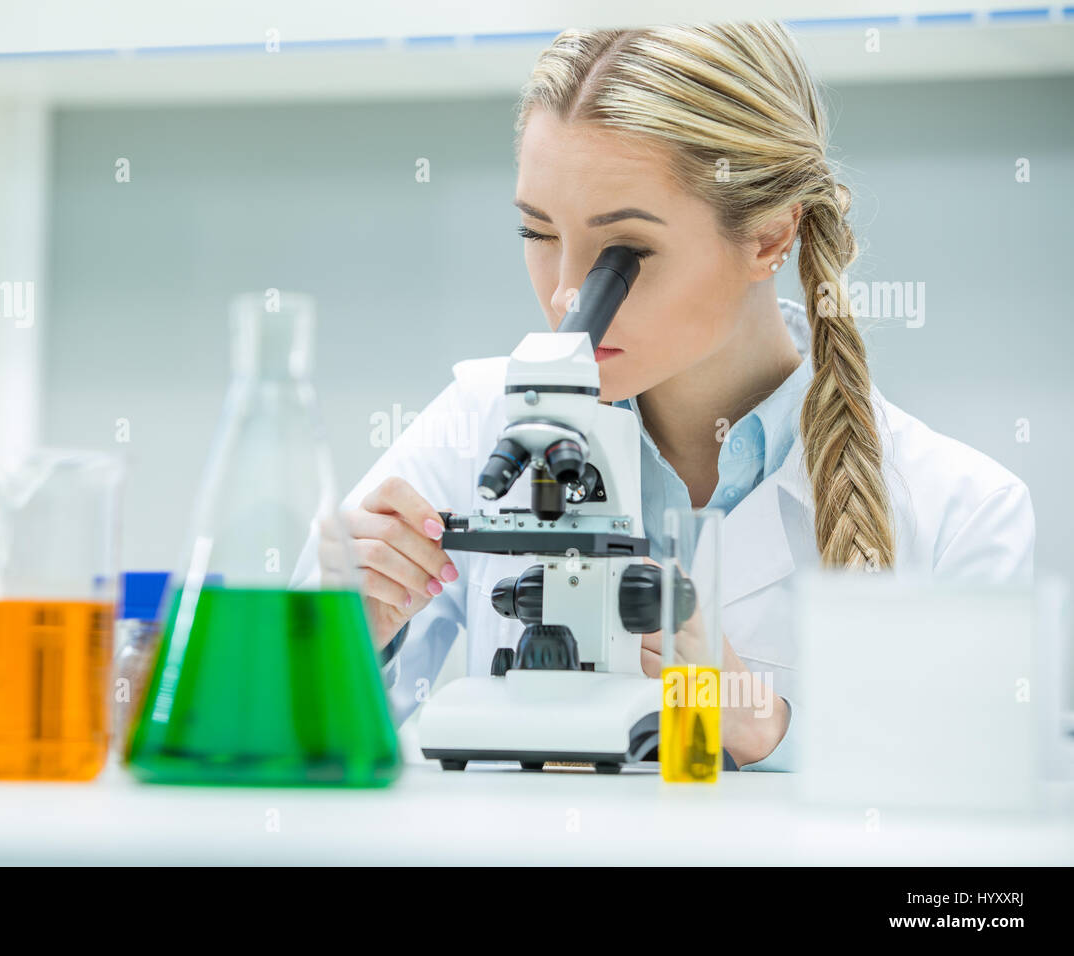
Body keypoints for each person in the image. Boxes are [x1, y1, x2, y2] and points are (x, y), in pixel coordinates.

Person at [297, 22, 1035, 771]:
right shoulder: (478, 424)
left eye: (629, 251)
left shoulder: (960, 513)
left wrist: (770, 731)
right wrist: (344, 637)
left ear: (771, 237)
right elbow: (283, 751)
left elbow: (990, 810)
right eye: (536, 230)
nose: (566, 294)